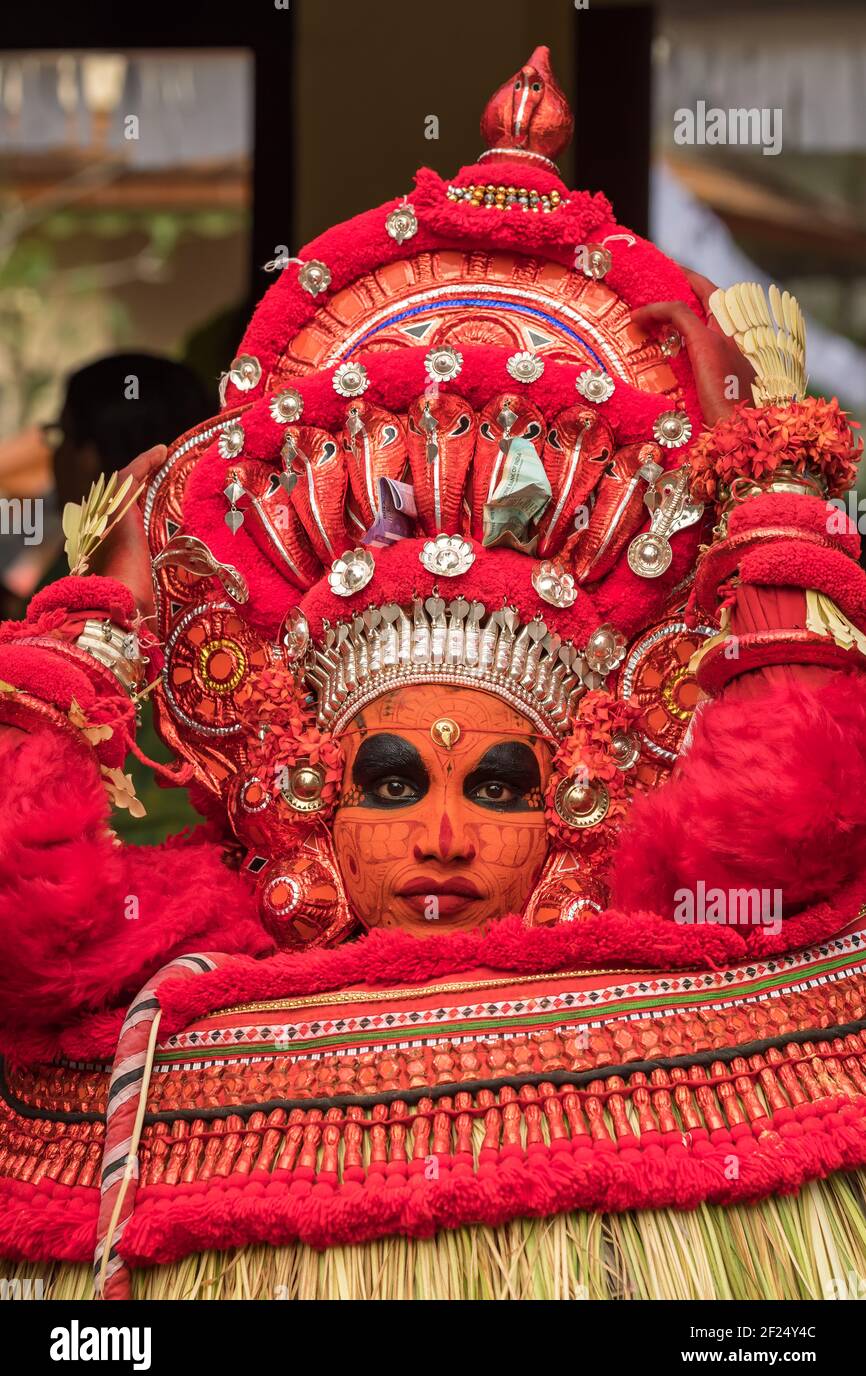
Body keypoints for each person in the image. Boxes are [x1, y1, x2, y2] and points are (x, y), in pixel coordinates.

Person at [1, 47, 865, 1301]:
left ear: (578, 801)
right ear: (310, 797)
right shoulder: (198, 974)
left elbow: (795, 807)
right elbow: (34, 913)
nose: (445, 837)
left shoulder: (689, 957)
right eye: (390, 781)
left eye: (503, 787)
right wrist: (96, 608)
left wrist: (777, 499)